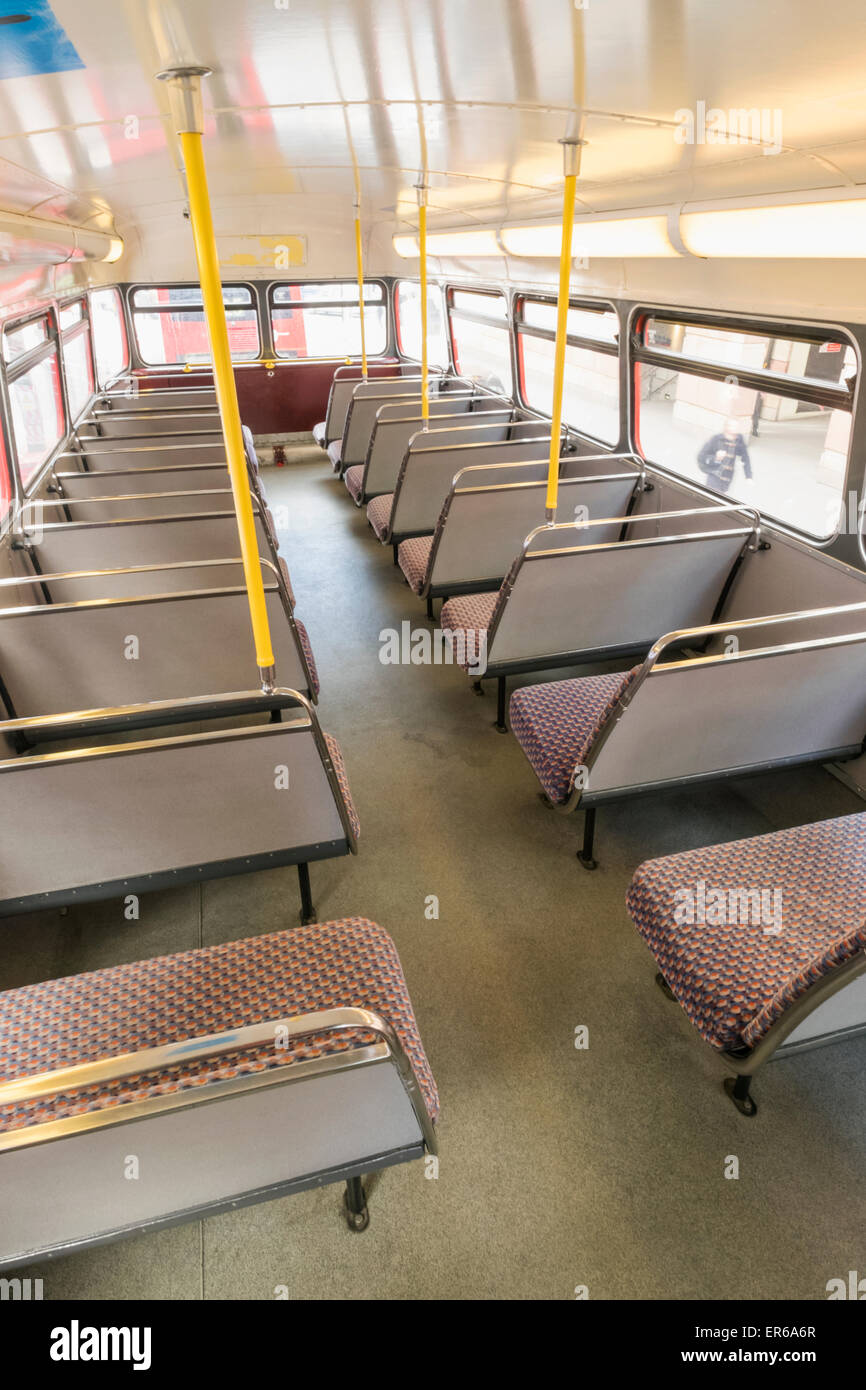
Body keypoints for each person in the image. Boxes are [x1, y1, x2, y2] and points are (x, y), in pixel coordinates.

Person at [697, 417, 753, 494]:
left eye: (737, 426)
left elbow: (745, 458)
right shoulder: (716, 439)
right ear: (726, 427)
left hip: (727, 479)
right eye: (733, 426)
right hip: (714, 476)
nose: (736, 429)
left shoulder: (739, 440)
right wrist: (716, 458)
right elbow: (701, 456)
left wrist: (748, 476)